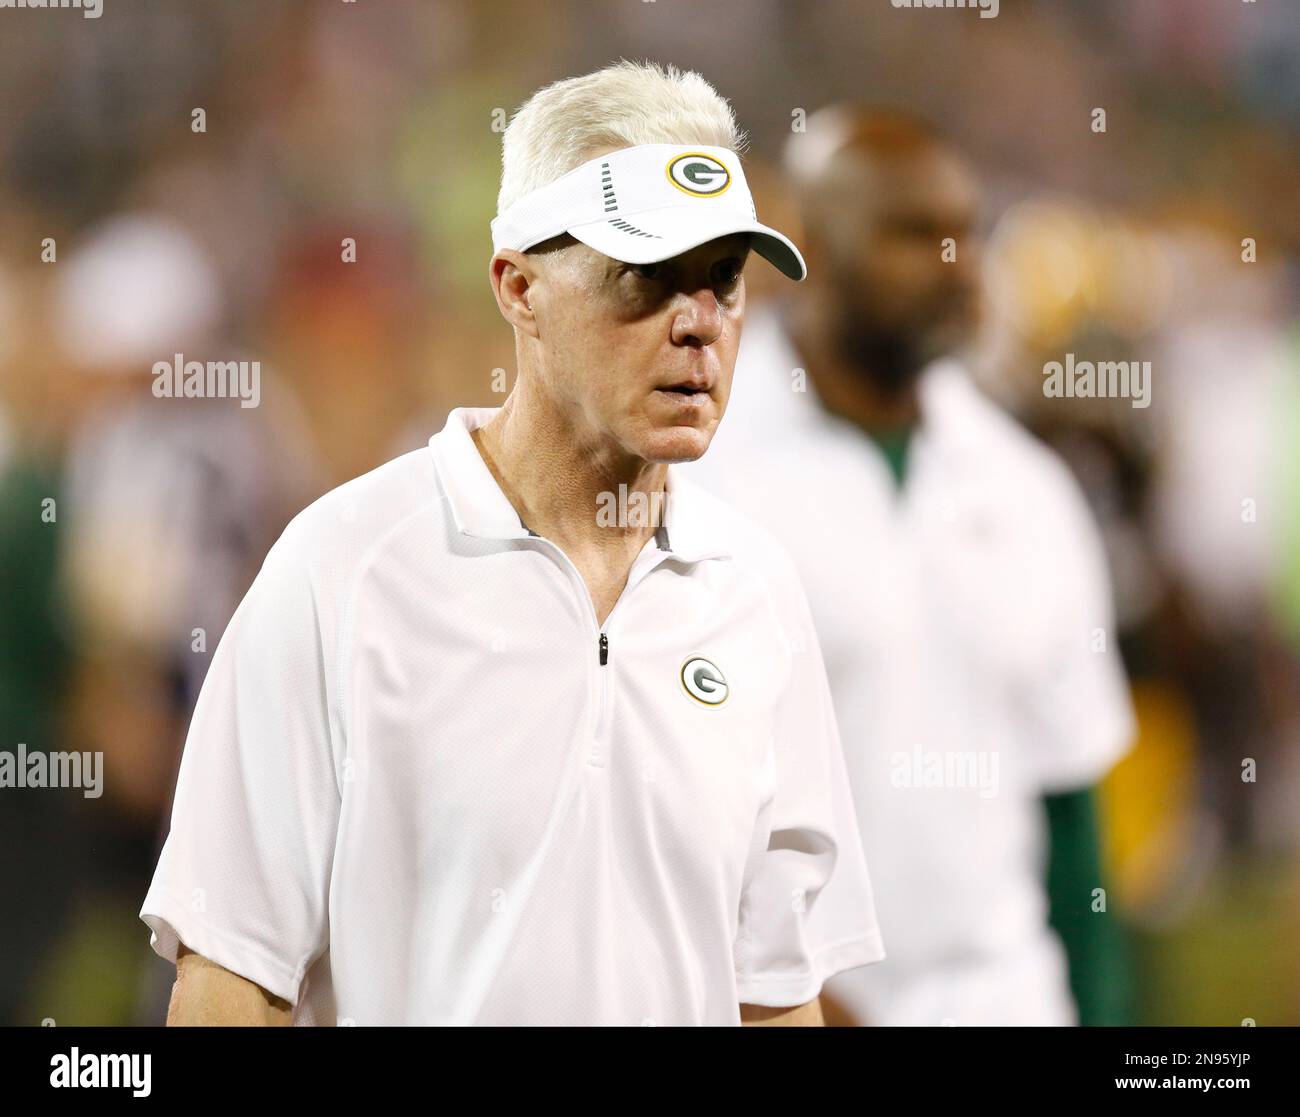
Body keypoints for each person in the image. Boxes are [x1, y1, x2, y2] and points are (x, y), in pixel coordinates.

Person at [139, 61, 884, 1027]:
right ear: (520, 286)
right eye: (648, 276)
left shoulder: (757, 593)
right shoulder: (342, 571)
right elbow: (231, 978)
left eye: (724, 281)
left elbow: (774, 998)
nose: (699, 324)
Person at [687, 107, 1136, 1026]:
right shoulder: (697, 468)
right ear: (808, 245)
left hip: (1010, 1002)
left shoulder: (1027, 489)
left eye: (966, 234)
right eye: (911, 234)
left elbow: (1072, 822)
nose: (956, 266)